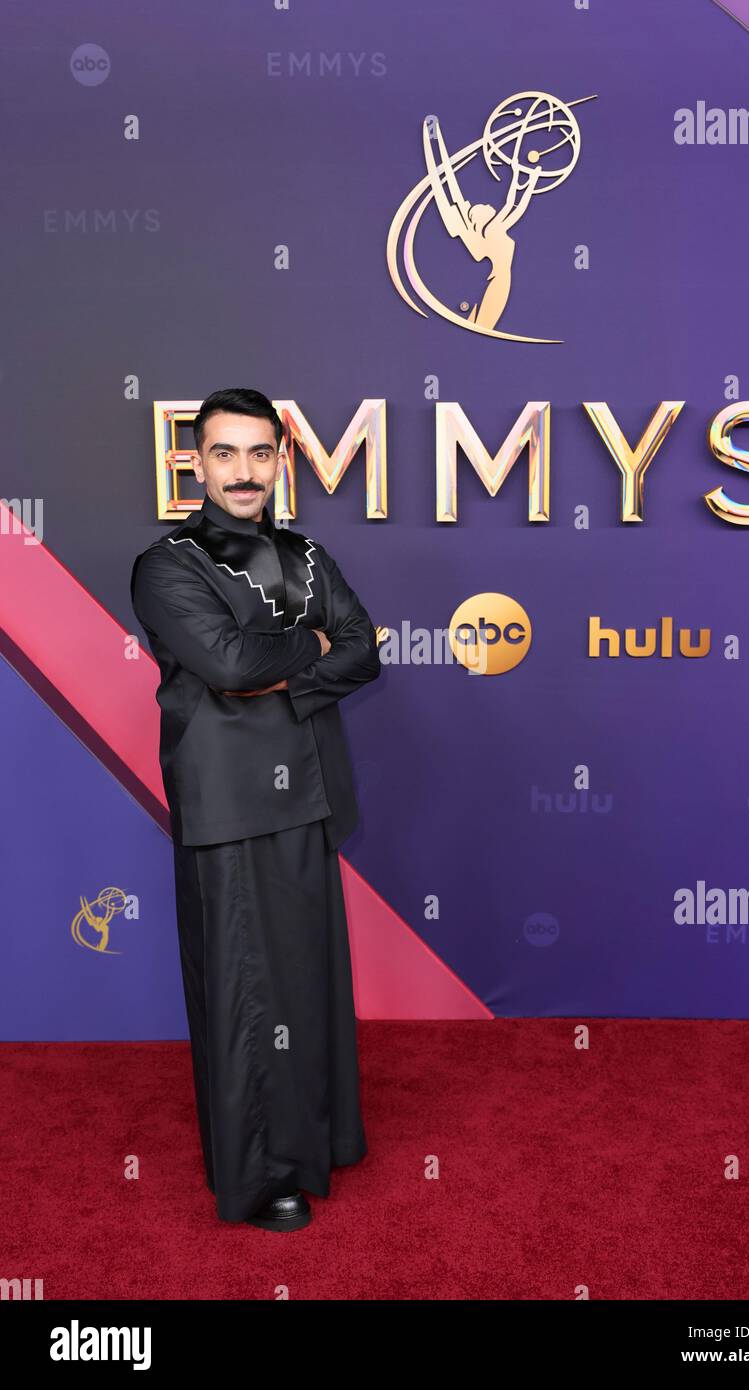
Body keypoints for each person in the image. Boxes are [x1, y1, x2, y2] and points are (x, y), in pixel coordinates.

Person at [130, 386, 381, 1232]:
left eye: (260, 453)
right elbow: (232, 666)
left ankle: (319, 1142)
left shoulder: (307, 553)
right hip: (227, 801)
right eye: (226, 454)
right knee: (246, 994)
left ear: (281, 460)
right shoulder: (166, 566)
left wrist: (289, 659)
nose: (244, 472)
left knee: (308, 979)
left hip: (306, 788)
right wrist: (309, 645)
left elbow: (364, 649)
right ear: (197, 463)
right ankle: (258, 1175)